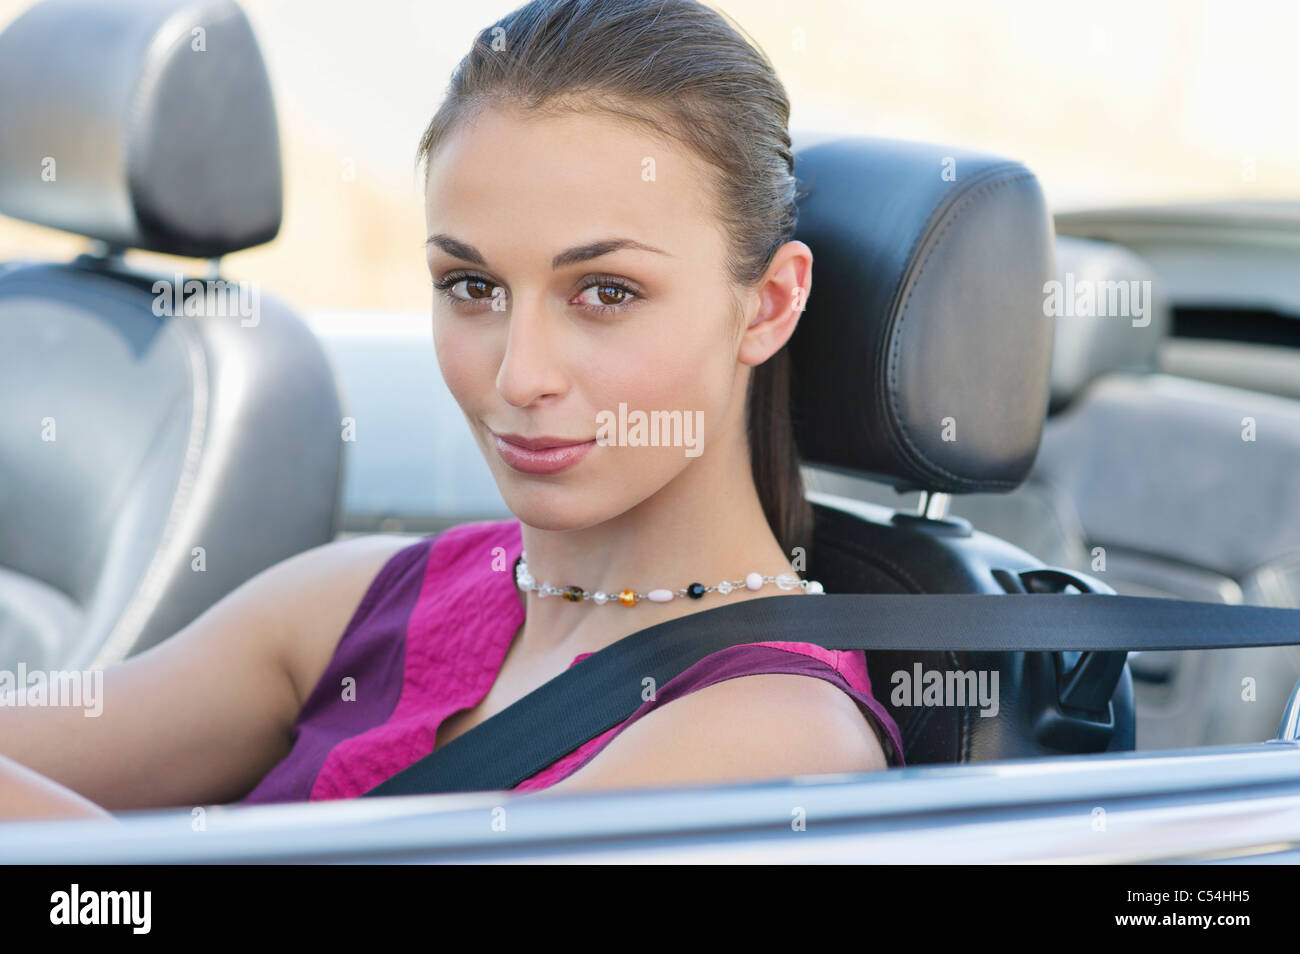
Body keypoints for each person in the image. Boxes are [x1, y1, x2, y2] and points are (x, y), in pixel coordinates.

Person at [0, 0, 903, 822]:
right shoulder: (363, 601)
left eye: (606, 292)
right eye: (471, 285)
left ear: (770, 304)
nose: (520, 377)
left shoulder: (778, 735)